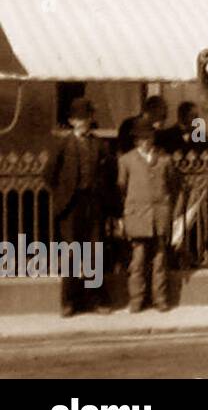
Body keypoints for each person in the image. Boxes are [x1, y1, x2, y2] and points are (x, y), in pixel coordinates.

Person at [42, 97, 116, 317]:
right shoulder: (62, 145)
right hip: (71, 205)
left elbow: (110, 174)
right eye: (78, 119)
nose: (83, 122)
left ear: (91, 119)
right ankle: (69, 302)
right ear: (71, 121)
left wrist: (104, 199)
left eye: (86, 118)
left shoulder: (99, 144)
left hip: (93, 204)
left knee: (95, 250)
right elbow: (48, 175)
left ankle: (96, 299)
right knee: (72, 252)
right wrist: (62, 196)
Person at [118, 119, 179, 312]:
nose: (146, 142)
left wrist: (169, 210)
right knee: (138, 260)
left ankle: (159, 298)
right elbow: (122, 188)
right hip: (137, 216)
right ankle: (137, 298)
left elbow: (173, 186)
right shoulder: (126, 161)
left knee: (160, 259)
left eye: (149, 137)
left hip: (159, 215)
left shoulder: (164, 159)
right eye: (141, 139)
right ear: (136, 141)